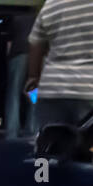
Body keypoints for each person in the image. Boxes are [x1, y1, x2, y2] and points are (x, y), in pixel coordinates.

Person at [27, 0, 93, 130]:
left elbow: (36, 44)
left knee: (52, 144)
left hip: (52, 89)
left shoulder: (51, 4)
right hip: (88, 88)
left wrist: (33, 77)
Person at [5, 10, 38, 138]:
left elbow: (9, 41)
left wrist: (8, 58)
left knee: (13, 94)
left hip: (18, 54)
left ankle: (12, 131)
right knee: (34, 93)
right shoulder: (38, 14)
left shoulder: (14, 14)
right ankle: (32, 129)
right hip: (35, 55)